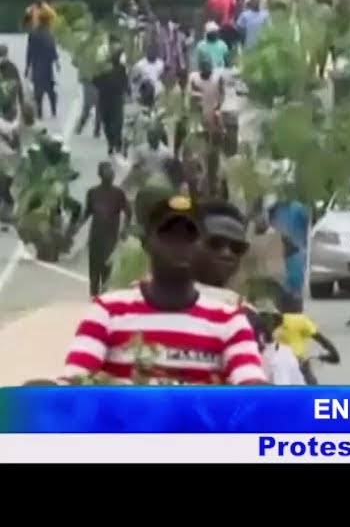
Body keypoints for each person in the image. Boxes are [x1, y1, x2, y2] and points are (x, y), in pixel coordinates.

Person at [58, 194, 266, 385]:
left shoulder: (229, 320)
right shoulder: (108, 311)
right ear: (147, 242)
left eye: (190, 236)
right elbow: (75, 380)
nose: (180, 244)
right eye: (169, 235)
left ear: (201, 245)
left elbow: (250, 382)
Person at [75, 162, 131, 298]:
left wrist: (125, 229)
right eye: (106, 172)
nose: (110, 175)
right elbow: (87, 212)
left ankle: (104, 296)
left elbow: (129, 212)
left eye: (111, 172)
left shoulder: (118, 193)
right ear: (100, 175)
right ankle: (93, 295)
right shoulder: (93, 193)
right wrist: (76, 227)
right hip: (95, 236)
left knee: (107, 268)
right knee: (94, 269)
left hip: (111, 237)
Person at [272, 293, 340, 385]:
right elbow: (320, 338)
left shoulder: (274, 320)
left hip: (276, 361)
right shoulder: (301, 320)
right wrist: (332, 355)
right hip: (298, 361)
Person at [269, 198, 310, 301]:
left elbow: (306, 224)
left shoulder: (299, 209)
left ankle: (295, 302)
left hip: (294, 249)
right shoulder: (273, 208)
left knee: (295, 279)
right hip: (279, 249)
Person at [95, 46, 129, 156]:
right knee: (110, 123)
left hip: (113, 100)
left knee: (115, 123)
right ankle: (112, 143)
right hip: (108, 100)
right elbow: (95, 81)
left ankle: (116, 144)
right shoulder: (105, 69)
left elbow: (125, 84)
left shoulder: (121, 69)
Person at [24, 12, 59, 119]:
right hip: (47, 66)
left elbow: (29, 51)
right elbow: (52, 49)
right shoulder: (49, 34)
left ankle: (39, 112)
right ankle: (53, 110)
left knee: (38, 90)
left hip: (36, 65)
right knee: (50, 89)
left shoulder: (33, 34)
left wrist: (27, 66)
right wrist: (57, 62)